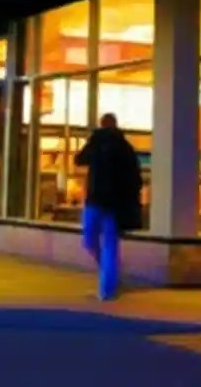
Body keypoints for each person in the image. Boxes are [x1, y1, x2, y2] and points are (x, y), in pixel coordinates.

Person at [74, 113, 143, 301]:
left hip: (96, 199)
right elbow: (135, 179)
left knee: (90, 240)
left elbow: (79, 159)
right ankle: (107, 287)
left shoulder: (97, 142)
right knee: (110, 245)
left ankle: (108, 277)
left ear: (102, 124)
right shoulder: (126, 148)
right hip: (114, 204)